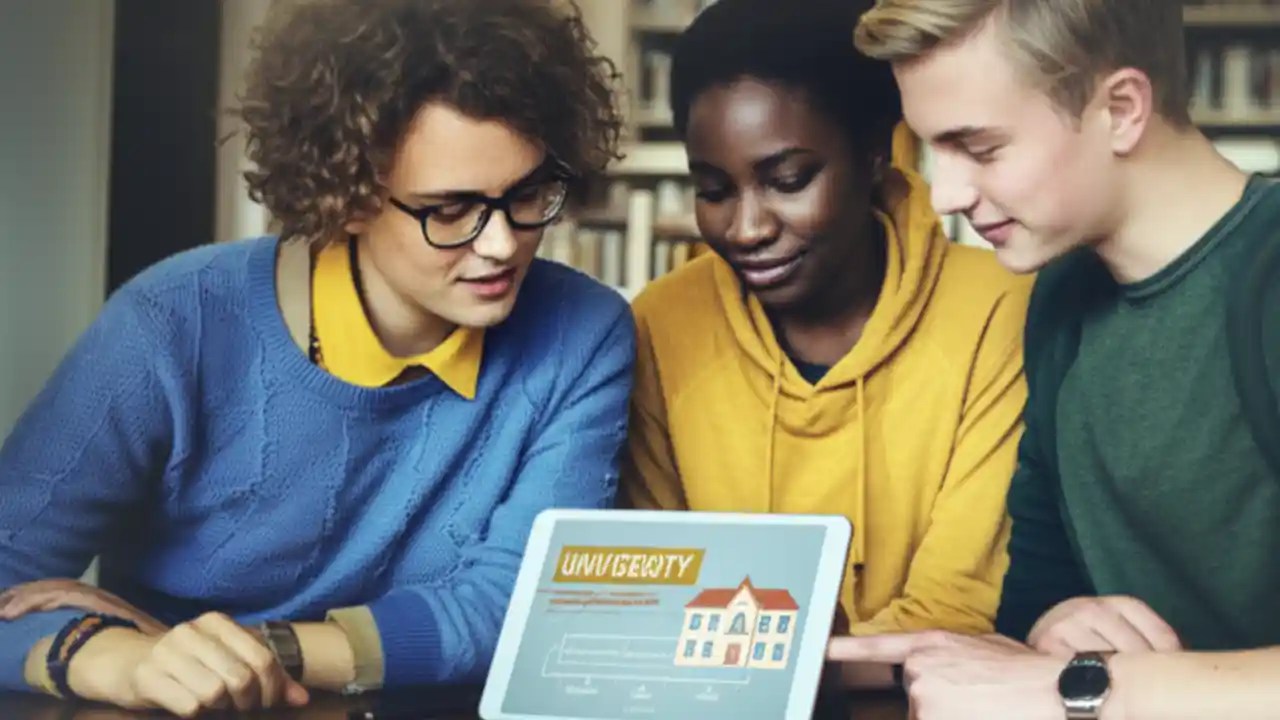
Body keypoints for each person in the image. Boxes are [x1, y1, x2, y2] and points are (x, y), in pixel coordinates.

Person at [0, 0, 634, 715]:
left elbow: (522, 606)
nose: (503, 243)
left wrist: (242, 650)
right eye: (450, 211)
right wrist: (120, 661)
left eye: (529, 193)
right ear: (348, 194)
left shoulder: (584, 333)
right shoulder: (175, 322)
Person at [830, 0, 1280, 717]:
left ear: (1121, 110)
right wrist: (1057, 626)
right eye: (932, 150)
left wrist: (1087, 687)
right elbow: (1034, 598)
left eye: (981, 149)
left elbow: (1063, 689)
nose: (945, 196)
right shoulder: (1059, 296)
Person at [620, 0, 1033, 685]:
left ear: (875, 152)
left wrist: (754, 661)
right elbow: (648, 601)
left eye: (788, 181)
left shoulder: (998, 310)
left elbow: (959, 614)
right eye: (713, 190)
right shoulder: (660, 325)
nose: (746, 228)